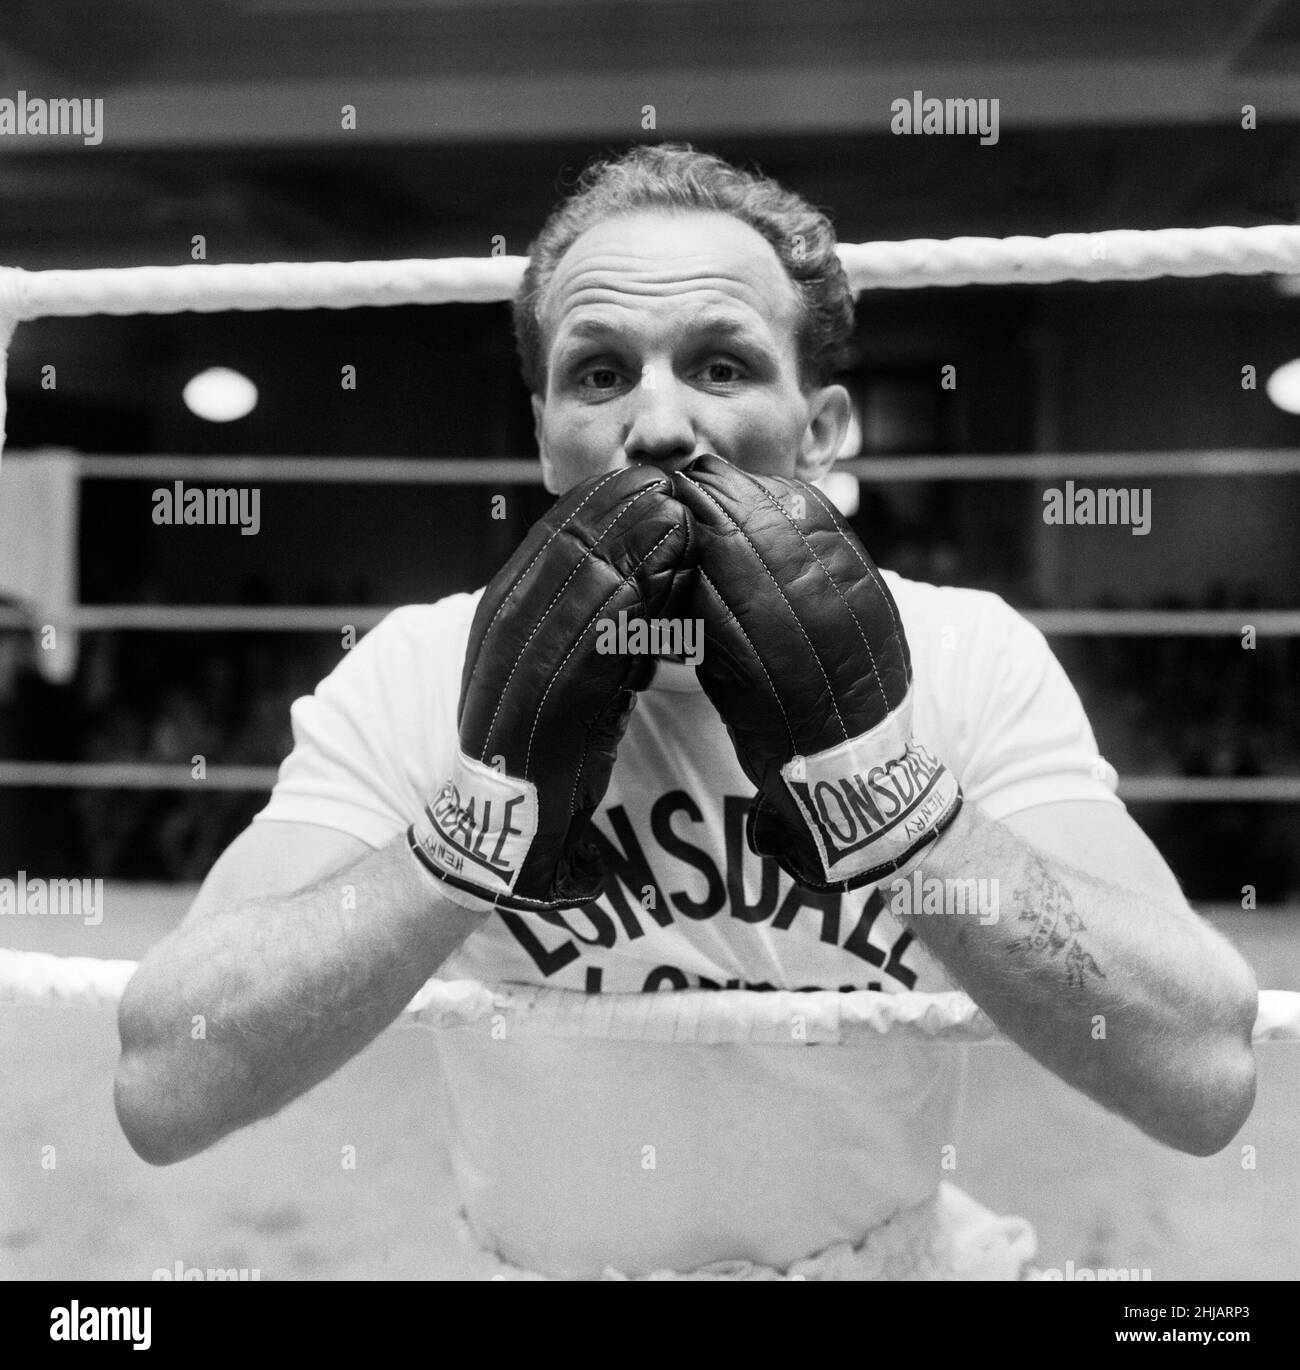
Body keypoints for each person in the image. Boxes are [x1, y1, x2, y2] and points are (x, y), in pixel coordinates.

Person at [113, 143, 1259, 1281]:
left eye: (719, 365)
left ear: (823, 429)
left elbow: (1200, 1068)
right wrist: (466, 832)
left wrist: (891, 795)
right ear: (546, 433)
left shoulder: (962, 656)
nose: (659, 426)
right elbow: (168, 1079)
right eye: (601, 373)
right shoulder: (422, 671)